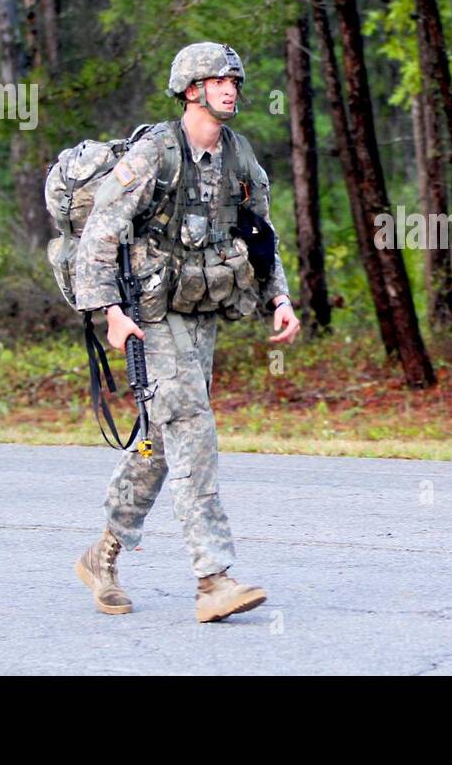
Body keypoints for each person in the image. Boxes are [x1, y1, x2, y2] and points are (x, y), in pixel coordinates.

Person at [71, 42, 301, 622]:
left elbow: (261, 231)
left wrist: (280, 297)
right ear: (191, 89)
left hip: (202, 310)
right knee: (192, 427)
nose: (231, 88)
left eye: (235, 80)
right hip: (149, 314)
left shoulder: (239, 156)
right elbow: (101, 229)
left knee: (160, 437)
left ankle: (103, 553)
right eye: (218, 80)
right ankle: (213, 577)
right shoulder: (155, 153)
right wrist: (109, 312)